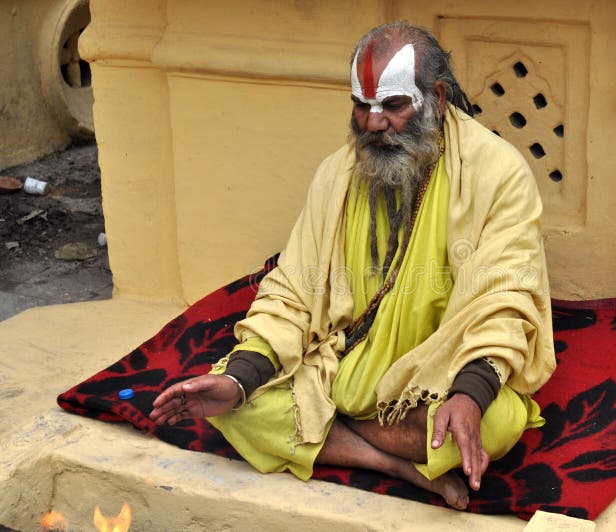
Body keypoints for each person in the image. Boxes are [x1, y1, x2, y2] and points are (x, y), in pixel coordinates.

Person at [150, 21, 555, 510]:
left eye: (393, 106)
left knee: (494, 422)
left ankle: (336, 432)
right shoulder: (338, 173)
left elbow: (506, 301)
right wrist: (240, 378)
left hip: (436, 376)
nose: (372, 124)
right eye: (361, 106)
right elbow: (294, 292)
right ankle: (396, 464)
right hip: (338, 367)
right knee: (233, 405)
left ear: (438, 97)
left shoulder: (498, 174)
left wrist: (468, 396)